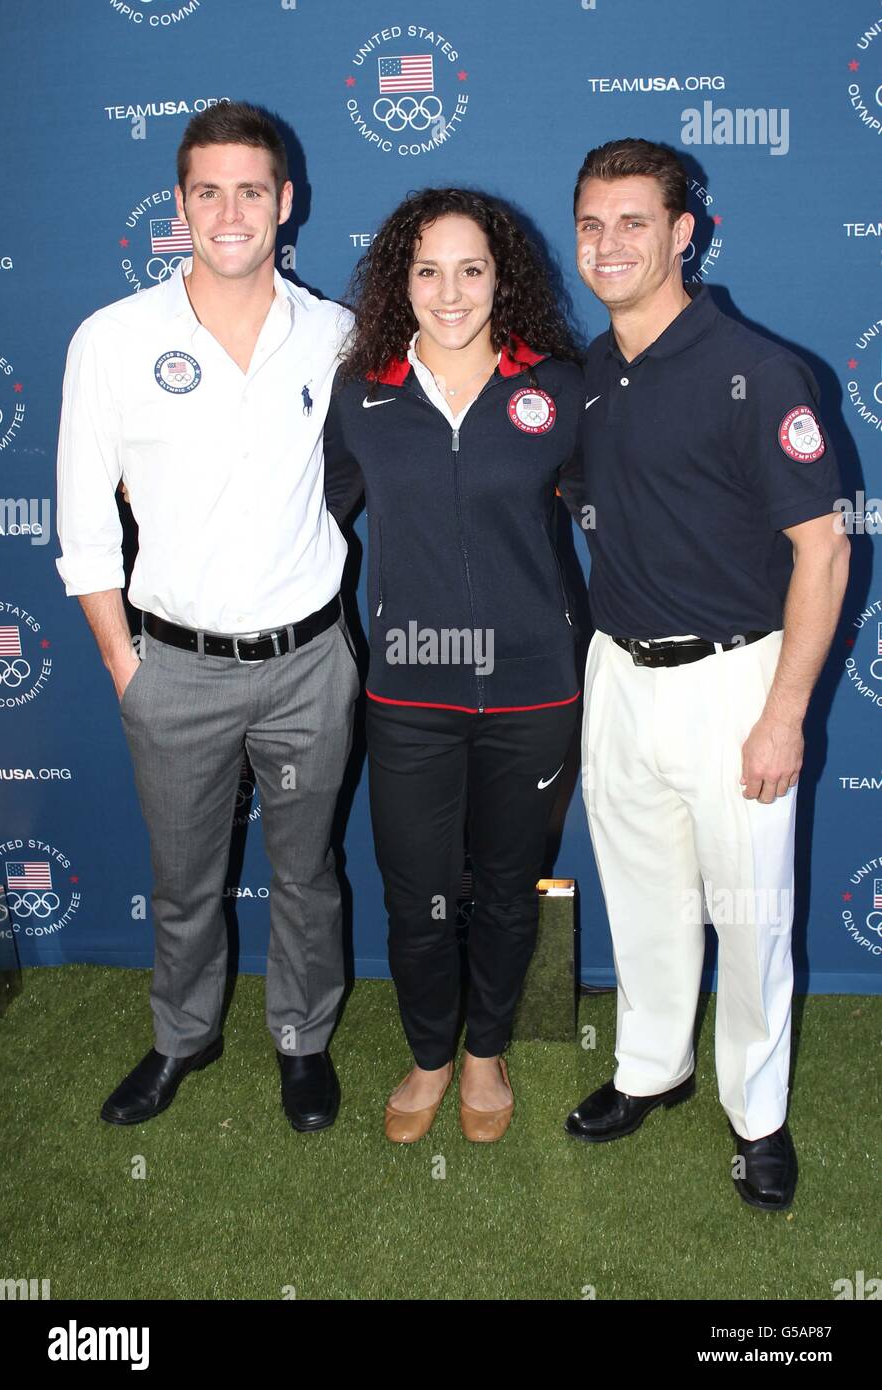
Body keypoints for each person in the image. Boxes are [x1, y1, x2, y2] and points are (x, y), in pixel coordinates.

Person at [55, 102, 359, 1132]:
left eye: (251, 190)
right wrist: (121, 663)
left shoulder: (335, 336)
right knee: (182, 881)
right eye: (207, 191)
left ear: (286, 202)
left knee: (305, 872)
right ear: (180, 206)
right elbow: (83, 516)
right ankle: (183, 1034)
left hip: (311, 661)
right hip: (172, 669)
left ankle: (302, 1038)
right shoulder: (112, 339)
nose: (230, 210)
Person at [564, 139, 850, 1209]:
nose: (608, 243)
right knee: (639, 898)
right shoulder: (585, 375)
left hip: (737, 680)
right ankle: (651, 1067)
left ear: (684, 233)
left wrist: (784, 715)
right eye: (591, 222)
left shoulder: (758, 371)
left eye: (633, 222)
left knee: (748, 914)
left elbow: (822, 550)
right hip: (618, 672)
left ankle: (757, 1114)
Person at [324, 189, 584, 1143]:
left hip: (534, 689)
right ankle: (432, 1053)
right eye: (427, 269)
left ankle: (488, 1054)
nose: (450, 290)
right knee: (418, 892)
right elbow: (301, 513)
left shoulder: (556, 386)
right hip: (411, 690)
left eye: (470, 269)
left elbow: (625, 511)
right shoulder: (364, 394)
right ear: (402, 280)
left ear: (500, 277)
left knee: (509, 888)